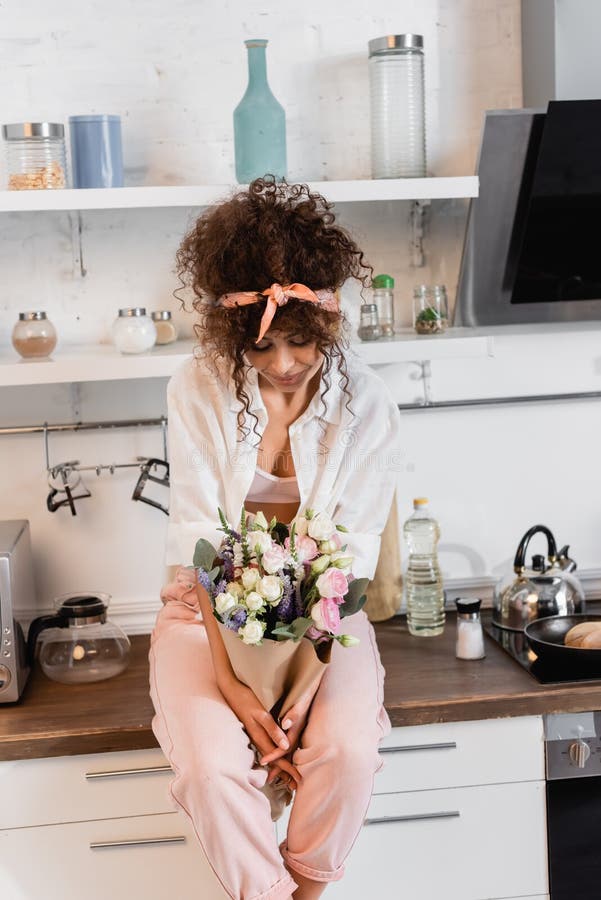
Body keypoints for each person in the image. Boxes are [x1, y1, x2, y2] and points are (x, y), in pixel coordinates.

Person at [148, 178, 402, 900]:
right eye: (263, 347)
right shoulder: (195, 387)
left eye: (300, 342)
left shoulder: (368, 405)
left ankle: (305, 890)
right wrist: (234, 682)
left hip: (327, 619)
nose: (285, 364)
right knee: (211, 767)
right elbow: (199, 539)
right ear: (233, 334)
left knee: (345, 751)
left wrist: (305, 685)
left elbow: (347, 558)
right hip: (203, 612)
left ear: (325, 322)